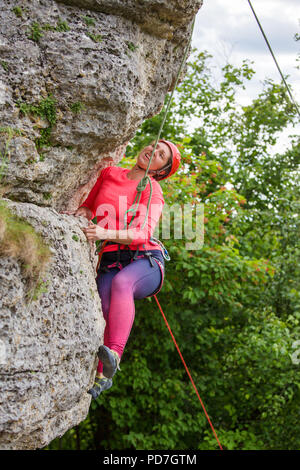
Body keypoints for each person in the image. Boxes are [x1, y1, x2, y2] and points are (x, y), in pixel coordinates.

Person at [61, 139, 181, 399]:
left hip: (145, 259)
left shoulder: (152, 188)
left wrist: (104, 231)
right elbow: (89, 206)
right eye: (153, 146)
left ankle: (115, 352)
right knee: (103, 305)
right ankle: (103, 376)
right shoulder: (109, 173)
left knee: (122, 284)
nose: (153, 151)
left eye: (161, 155)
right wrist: (82, 212)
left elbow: (142, 232)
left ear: (161, 170)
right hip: (112, 258)